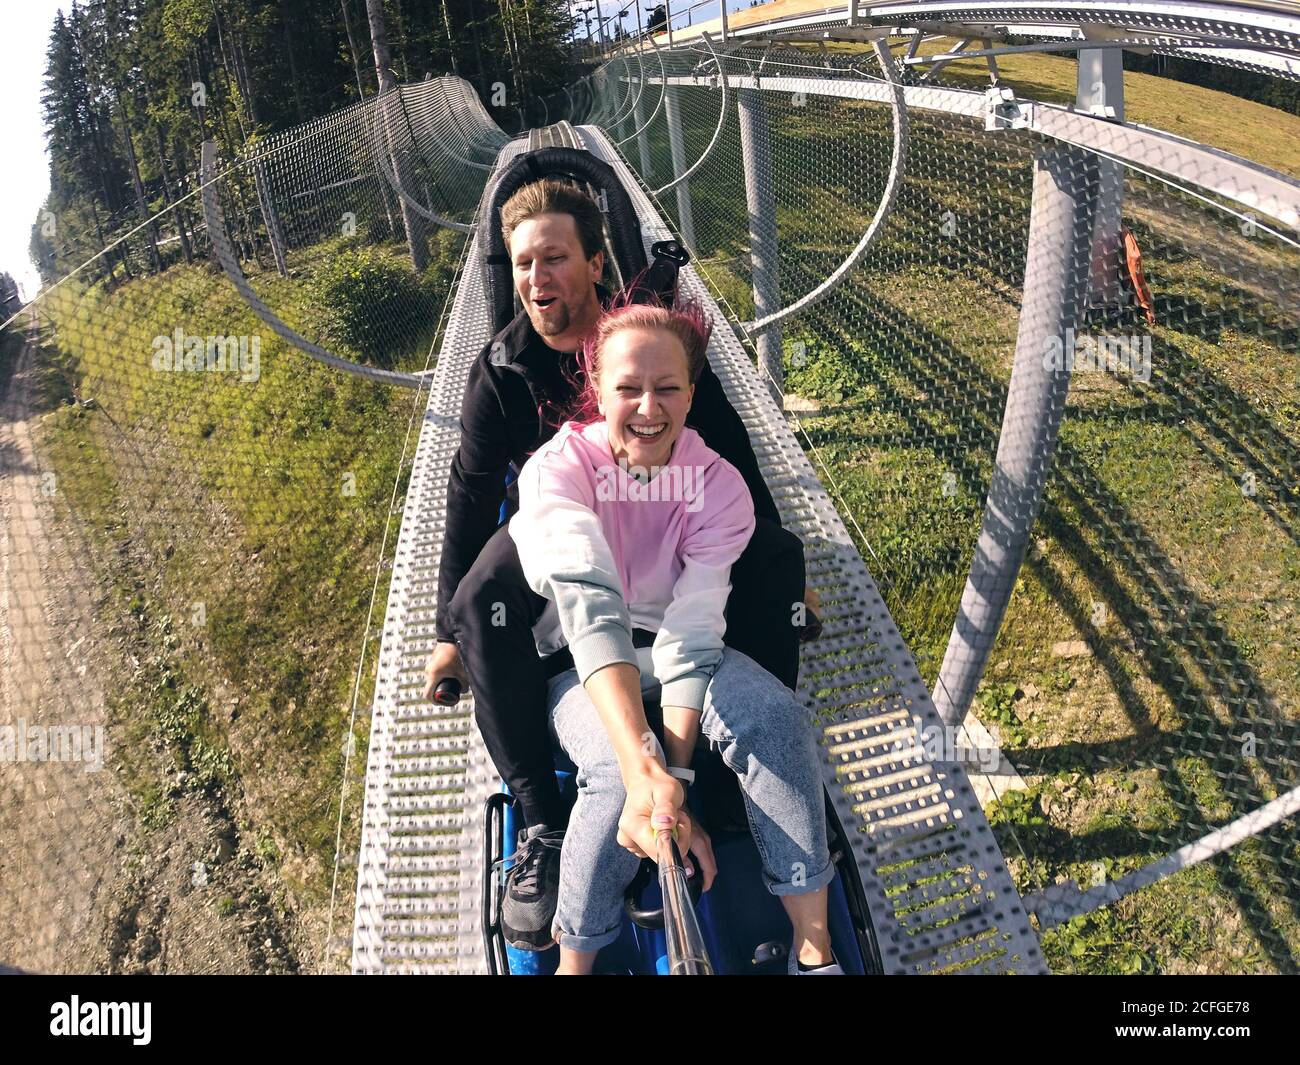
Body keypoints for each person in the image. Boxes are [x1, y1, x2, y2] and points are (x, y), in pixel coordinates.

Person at [423, 177, 816, 950]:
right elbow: (470, 495)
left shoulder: (650, 345)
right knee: (481, 599)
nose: (537, 277)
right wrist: (446, 630)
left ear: (596, 264)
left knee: (773, 557)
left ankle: (735, 768)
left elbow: (727, 448)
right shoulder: (502, 373)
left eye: (554, 258)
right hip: (562, 522)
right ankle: (544, 820)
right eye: (524, 263)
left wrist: (778, 559)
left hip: (664, 514)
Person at [510, 298, 841, 975]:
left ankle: (815, 949)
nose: (648, 408)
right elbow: (591, 606)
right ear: (597, 387)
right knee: (611, 773)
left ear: (691, 394)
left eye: (666, 388)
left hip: (677, 652)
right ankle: (576, 958)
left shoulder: (718, 486)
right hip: (581, 663)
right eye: (628, 387)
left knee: (777, 717)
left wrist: (676, 779)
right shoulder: (557, 471)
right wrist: (641, 767)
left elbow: (692, 631)